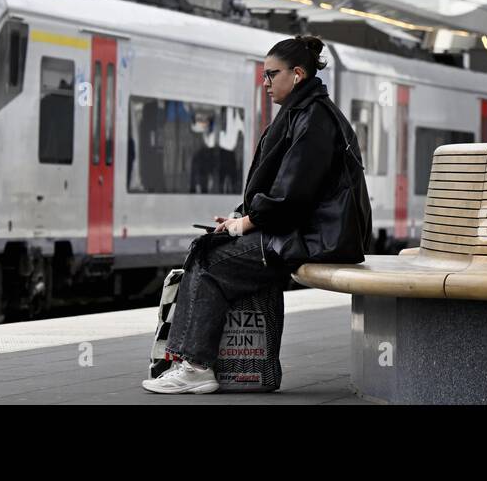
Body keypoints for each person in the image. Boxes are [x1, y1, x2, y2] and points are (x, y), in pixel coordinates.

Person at [142, 34, 370, 394]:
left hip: (316, 239)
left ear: (296, 74)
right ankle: (195, 363)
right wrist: (239, 219)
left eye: (271, 75)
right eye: (264, 75)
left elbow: (292, 197)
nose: (264, 83)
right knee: (212, 248)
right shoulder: (304, 112)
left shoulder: (313, 120)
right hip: (305, 231)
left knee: (210, 260)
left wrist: (245, 223)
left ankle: (195, 366)